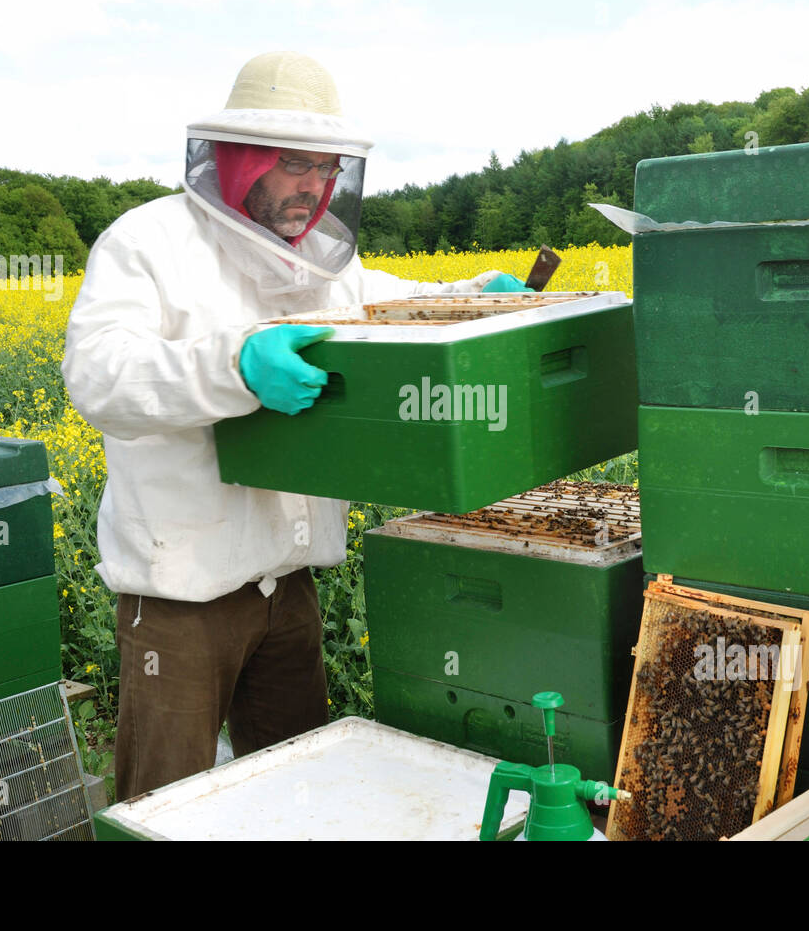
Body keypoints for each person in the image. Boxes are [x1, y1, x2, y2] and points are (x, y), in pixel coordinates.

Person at [61, 51, 524, 800]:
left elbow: (385, 304)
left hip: (289, 584)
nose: (315, 186)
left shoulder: (322, 258)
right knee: (165, 803)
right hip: (182, 593)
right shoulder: (147, 244)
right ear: (243, 162)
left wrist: (472, 295)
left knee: (301, 789)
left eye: (327, 169)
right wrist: (235, 367)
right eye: (296, 165)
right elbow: (99, 375)